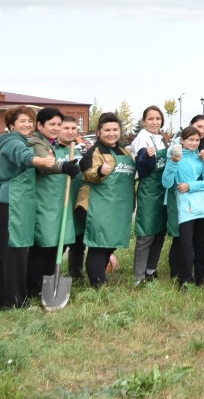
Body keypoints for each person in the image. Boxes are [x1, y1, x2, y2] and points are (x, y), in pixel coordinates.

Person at [0, 106, 61, 310]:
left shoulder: (21, 140)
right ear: (12, 124)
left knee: (7, 252)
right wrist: (42, 161)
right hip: (12, 203)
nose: (27, 124)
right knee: (15, 252)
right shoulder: (13, 141)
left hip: (15, 202)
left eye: (30, 121)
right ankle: (14, 302)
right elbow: (23, 157)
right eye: (22, 121)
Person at [72, 112, 135, 287]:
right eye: (107, 129)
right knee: (99, 244)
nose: (111, 133)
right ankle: (97, 283)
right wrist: (100, 171)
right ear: (99, 132)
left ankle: (99, 277)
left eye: (115, 129)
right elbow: (86, 171)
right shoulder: (94, 152)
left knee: (109, 244)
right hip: (93, 207)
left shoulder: (124, 151)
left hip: (115, 208)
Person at [27, 107, 82, 301]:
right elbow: (45, 163)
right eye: (52, 124)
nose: (56, 128)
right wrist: (63, 166)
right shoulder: (36, 142)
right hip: (43, 202)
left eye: (58, 124)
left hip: (56, 203)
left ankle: (47, 286)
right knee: (43, 246)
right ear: (40, 125)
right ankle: (33, 288)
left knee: (54, 246)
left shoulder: (53, 144)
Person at [164, 125, 204, 287]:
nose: (194, 143)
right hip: (186, 208)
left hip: (203, 208)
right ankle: (185, 279)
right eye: (190, 140)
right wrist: (173, 162)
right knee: (186, 245)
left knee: (203, 243)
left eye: (197, 140)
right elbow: (166, 182)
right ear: (182, 140)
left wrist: (190, 186)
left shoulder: (200, 159)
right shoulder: (175, 157)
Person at [130, 105, 169, 283]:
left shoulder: (162, 139)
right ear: (144, 121)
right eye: (151, 119)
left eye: (157, 118)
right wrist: (147, 157)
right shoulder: (142, 139)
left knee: (160, 231)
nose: (154, 122)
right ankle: (139, 276)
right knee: (147, 232)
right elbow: (141, 167)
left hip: (163, 189)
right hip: (149, 190)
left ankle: (151, 269)